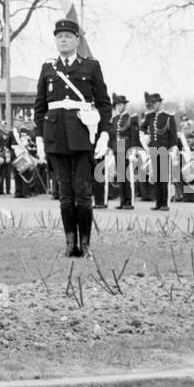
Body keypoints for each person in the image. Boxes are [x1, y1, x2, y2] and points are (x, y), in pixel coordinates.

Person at [33, 16, 111, 259]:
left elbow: (104, 104)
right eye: (59, 36)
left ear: (77, 40)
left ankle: (85, 245)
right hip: (56, 139)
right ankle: (70, 245)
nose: (63, 39)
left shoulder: (91, 66)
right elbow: (40, 107)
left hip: (82, 138)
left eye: (68, 36)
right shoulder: (48, 68)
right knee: (65, 196)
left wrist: (105, 134)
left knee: (83, 195)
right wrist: (39, 138)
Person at [139, 91, 176, 212]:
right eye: (152, 103)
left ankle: (165, 203)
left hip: (164, 149)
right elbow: (142, 127)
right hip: (154, 149)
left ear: (160, 103)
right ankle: (158, 202)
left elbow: (173, 136)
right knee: (156, 178)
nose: (153, 105)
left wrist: (172, 148)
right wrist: (146, 136)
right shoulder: (150, 116)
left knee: (164, 178)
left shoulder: (168, 117)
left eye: (155, 103)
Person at [108, 94, 135, 210]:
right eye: (117, 105)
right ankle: (123, 200)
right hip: (117, 147)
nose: (119, 107)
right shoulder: (115, 119)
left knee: (127, 176)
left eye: (121, 105)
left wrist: (132, 151)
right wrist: (110, 148)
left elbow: (134, 136)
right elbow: (112, 135)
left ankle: (129, 201)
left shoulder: (130, 118)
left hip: (126, 146)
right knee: (120, 176)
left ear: (125, 105)